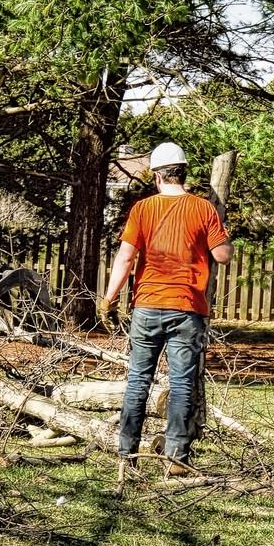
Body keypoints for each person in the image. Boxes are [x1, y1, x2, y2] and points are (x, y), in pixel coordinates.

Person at [98, 142, 232, 477]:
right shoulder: (203, 209)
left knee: (138, 381)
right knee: (183, 383)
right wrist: (219, 236)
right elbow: (223, 256)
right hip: (187, 308)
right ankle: (176, 458)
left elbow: (126, 258)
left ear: (157, 176)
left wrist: (109, 297)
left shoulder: (143, 210)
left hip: (146, 306)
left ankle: (127, 455)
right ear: (183, 173)